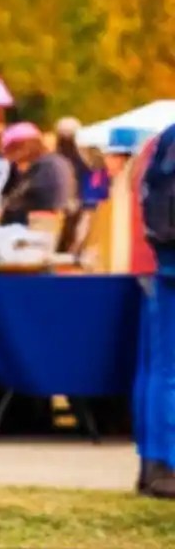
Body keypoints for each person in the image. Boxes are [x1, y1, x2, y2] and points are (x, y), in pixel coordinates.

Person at [137, 126, 175, 496]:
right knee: (168, 371)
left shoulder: (165, 137)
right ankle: (167, 465)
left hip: (163, 260)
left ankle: (153, 462)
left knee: (159, 368)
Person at [0, 122, 77, 231]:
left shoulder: (45, 167)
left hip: (39, 230)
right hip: (58, 228)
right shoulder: (58, 161)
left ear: (22, 149)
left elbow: (14, 204)